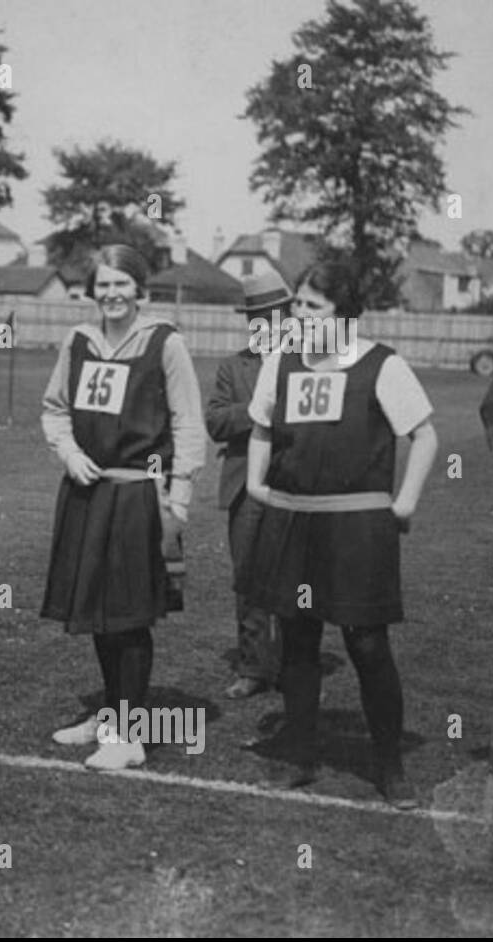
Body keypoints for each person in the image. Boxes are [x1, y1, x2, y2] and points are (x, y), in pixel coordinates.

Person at [241, 261, 438, 808]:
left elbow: (424, 435)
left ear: (346, 314)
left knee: (367, 643)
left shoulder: (381, 364)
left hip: (355, 526)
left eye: (314, 306)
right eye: (298, 304)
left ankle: (390, 767)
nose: (300, 315)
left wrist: (405, 501)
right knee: (298, 642)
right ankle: (300, 757)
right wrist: (257, 484)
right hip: (293, 520)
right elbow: (261, 427)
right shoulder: (280, 361)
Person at [40, 244, 205, 770]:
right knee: (98, 613)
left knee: (129, 618)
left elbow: (188, 424)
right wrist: (68, 453)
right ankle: (111, 717)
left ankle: (130, 736)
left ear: (140, 290)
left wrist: (179, 499)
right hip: (88, 494)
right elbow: (55, 408)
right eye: (103, 285)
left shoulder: (165, 343)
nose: (111, 294)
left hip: (141, 495)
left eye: (121, 284)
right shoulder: (78, 341)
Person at [205, 270, 288, 700]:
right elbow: (215, 422)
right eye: (256, 317)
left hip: (297, 487)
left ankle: (295, 664)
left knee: (297, 580)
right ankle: (253, 667)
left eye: (274, 315)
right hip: (245, 488)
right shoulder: (233, 366)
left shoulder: (308, 362)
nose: (266, 324)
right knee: (249, 578)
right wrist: (259, 410)